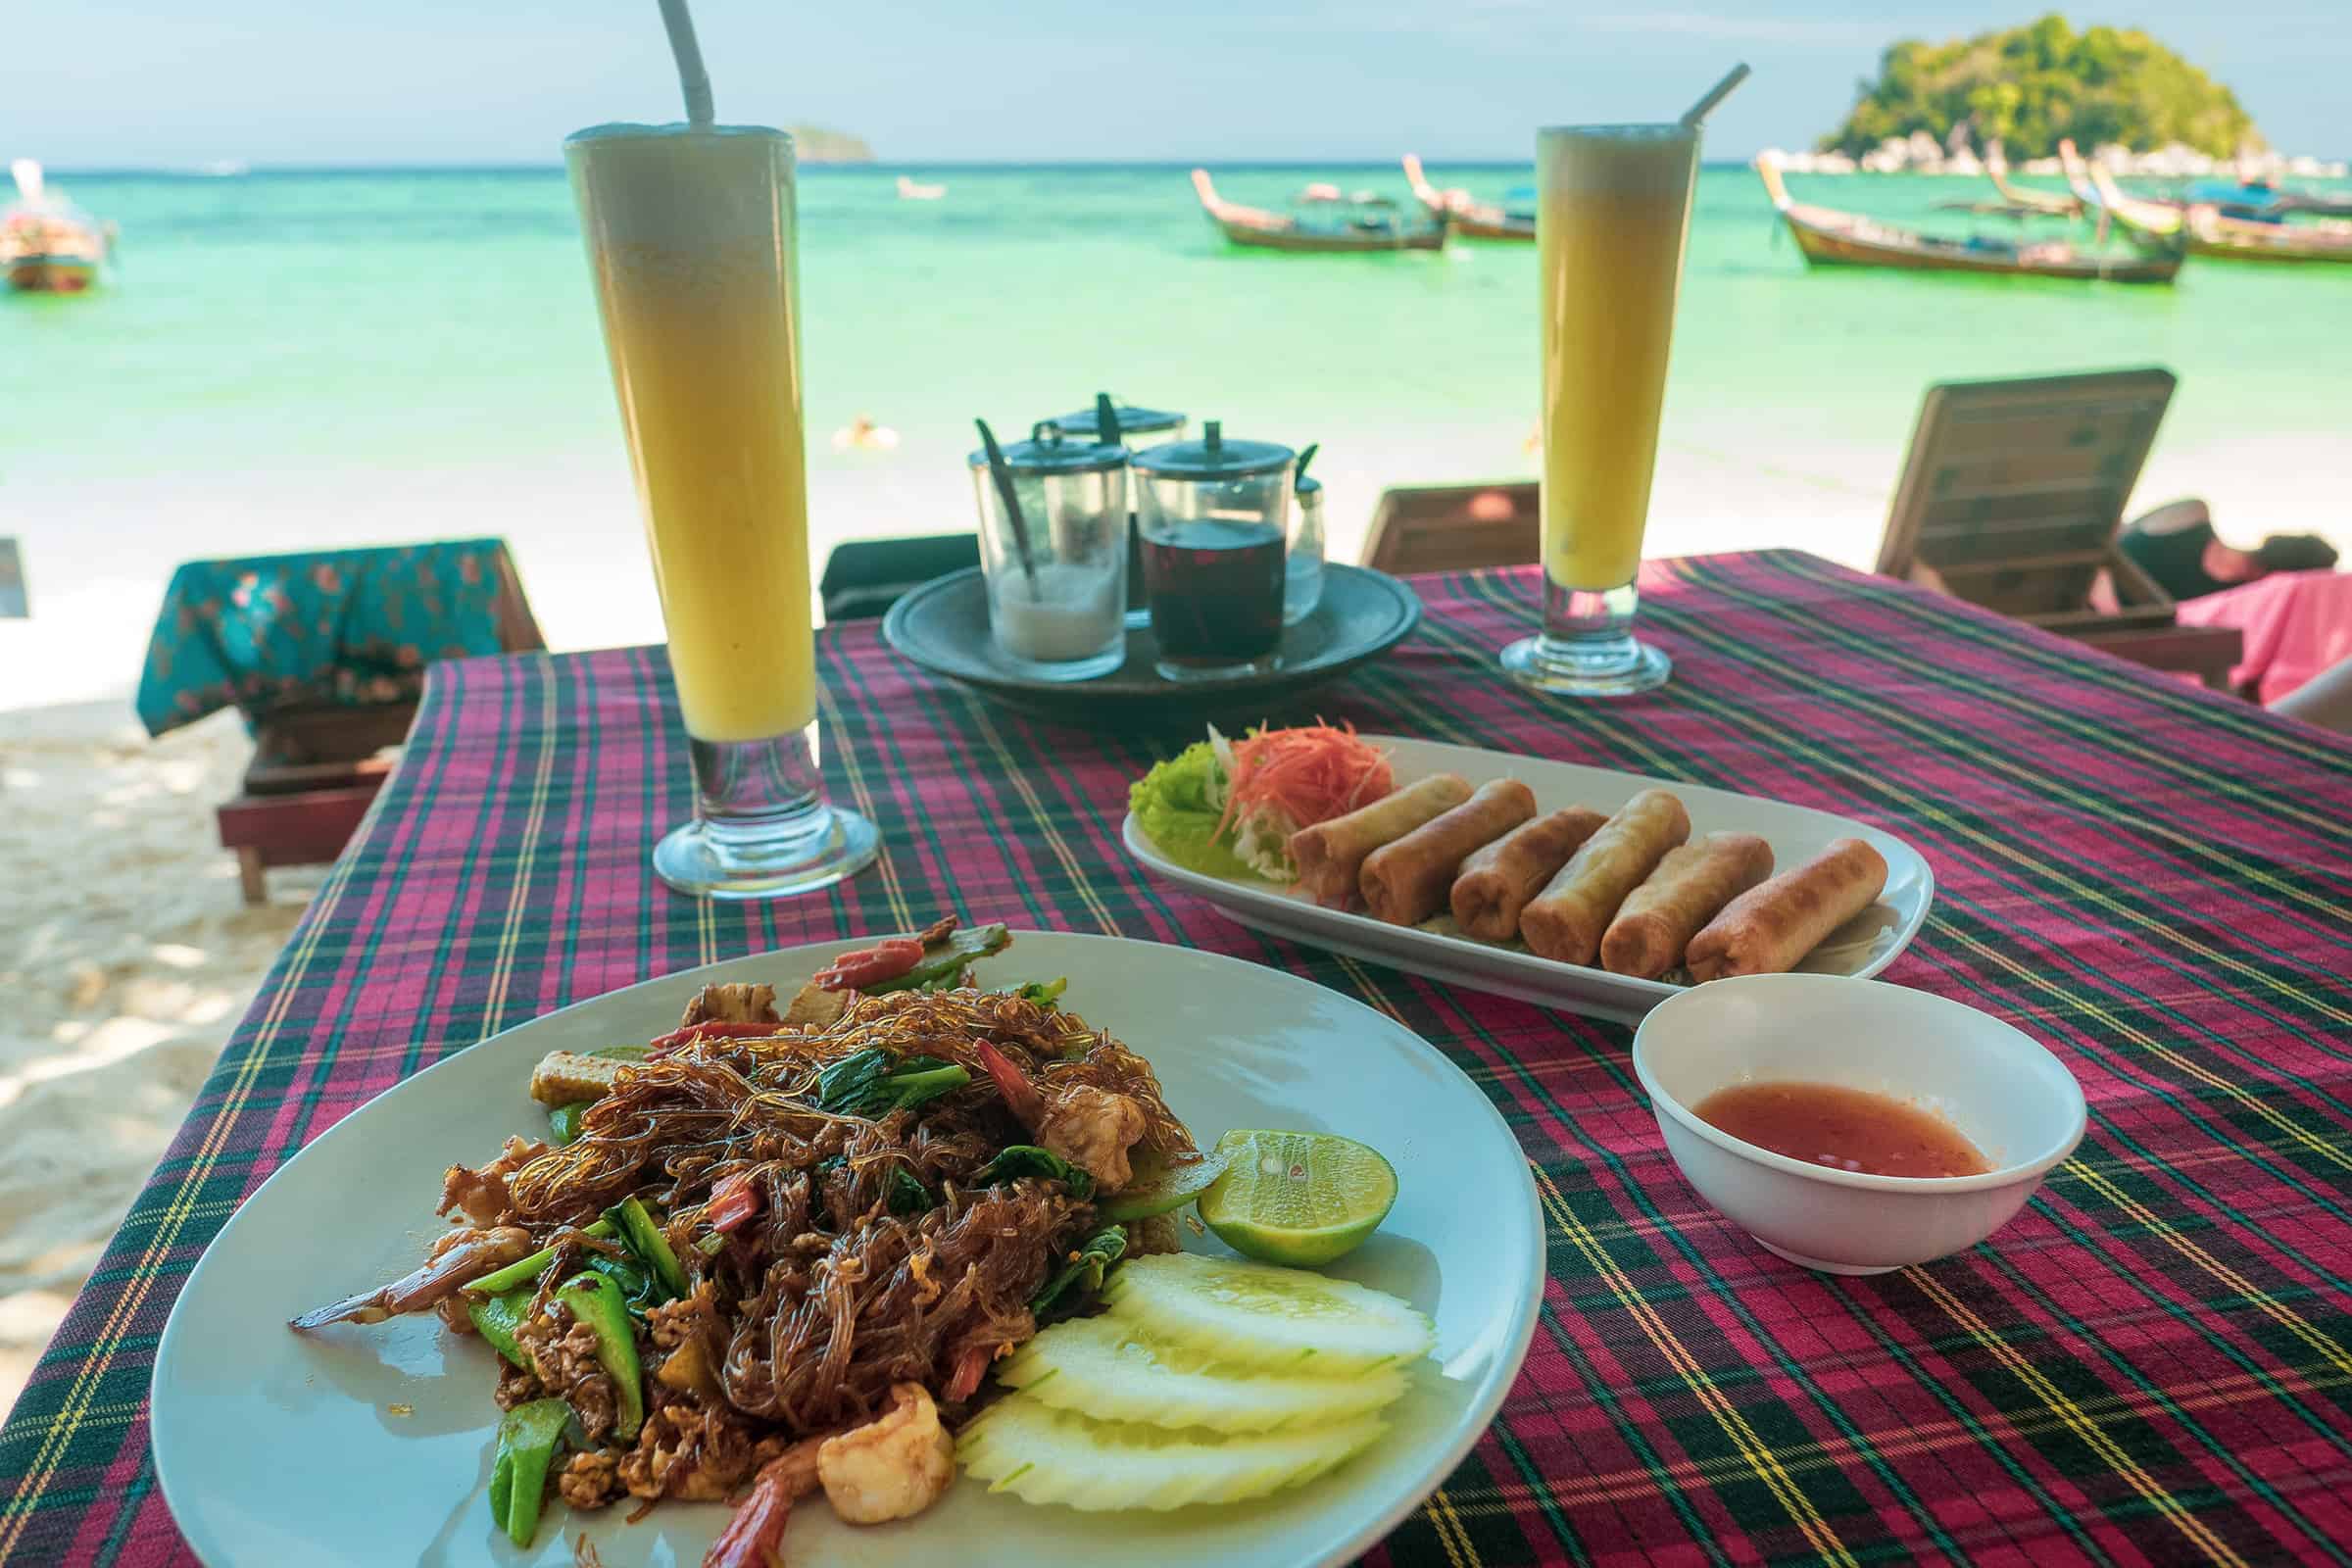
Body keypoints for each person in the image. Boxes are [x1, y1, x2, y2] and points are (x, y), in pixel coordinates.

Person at [2117, 499, 2336, 602]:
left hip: (2089, 593)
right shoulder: (2229, 606)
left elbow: (2110, 528)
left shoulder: (2192, 515)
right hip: (2092, 608)